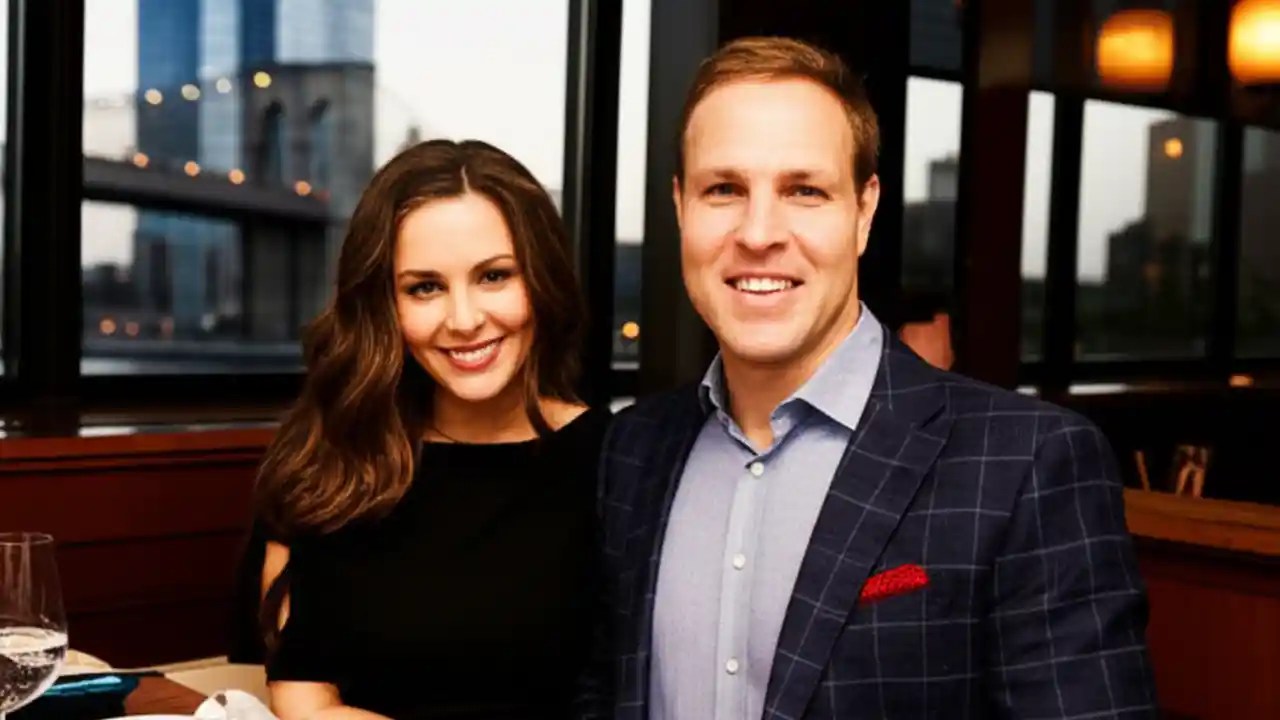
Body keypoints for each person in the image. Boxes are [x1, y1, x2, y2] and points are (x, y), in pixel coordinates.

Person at [578, 37, 1157, 719]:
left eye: (804, 191)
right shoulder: (632, 450)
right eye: (724, 189)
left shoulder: (1028, 463)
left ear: (864, 210)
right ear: (680, 207)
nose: (759, 231)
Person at [231, 139, 611, 719]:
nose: (463, 320)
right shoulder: (331, 456)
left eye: (494, 276)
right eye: (424, 287)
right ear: (386, 305)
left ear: (542, 279)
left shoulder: (618, 462)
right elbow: (302, 693)